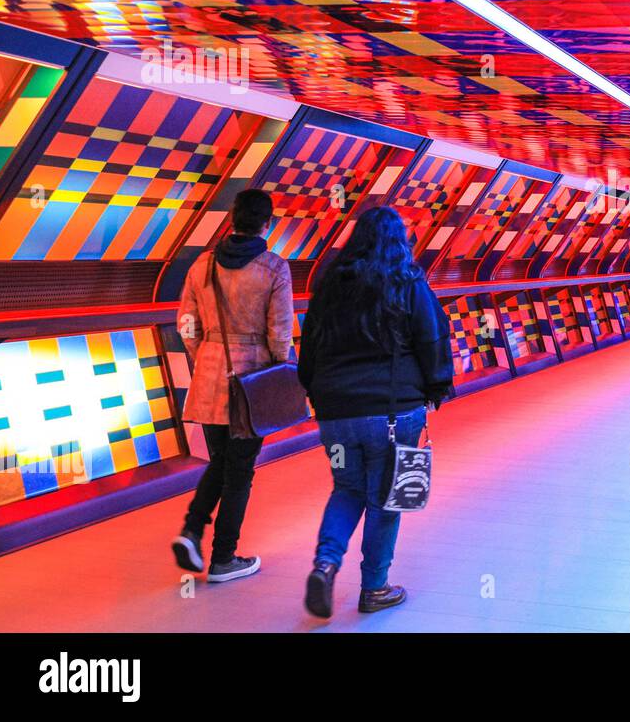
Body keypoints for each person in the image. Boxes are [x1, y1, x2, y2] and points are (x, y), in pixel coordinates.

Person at [298, 206, 455, 617]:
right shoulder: (407, 281)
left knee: (347, 488)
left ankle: (326, 563)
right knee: (386, 499)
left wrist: (316, 392)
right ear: (399, 240)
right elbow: (432, 336)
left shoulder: (330, 283)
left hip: (336, 414)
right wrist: (439, 386)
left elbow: (309, 346)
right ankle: (375, 587)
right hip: (392, 412)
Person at [172, 189, 293, 583]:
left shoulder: (201, 265)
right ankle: (224, 558)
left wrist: (203, 355)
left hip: (209, 375)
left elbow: (186, 325)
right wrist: (278, 372)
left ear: (231, 220)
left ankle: (192, 530)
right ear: (267, 224)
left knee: (221, 461)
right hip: (251, 381)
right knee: (240, 471)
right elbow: (279, 333)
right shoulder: (274, 268)